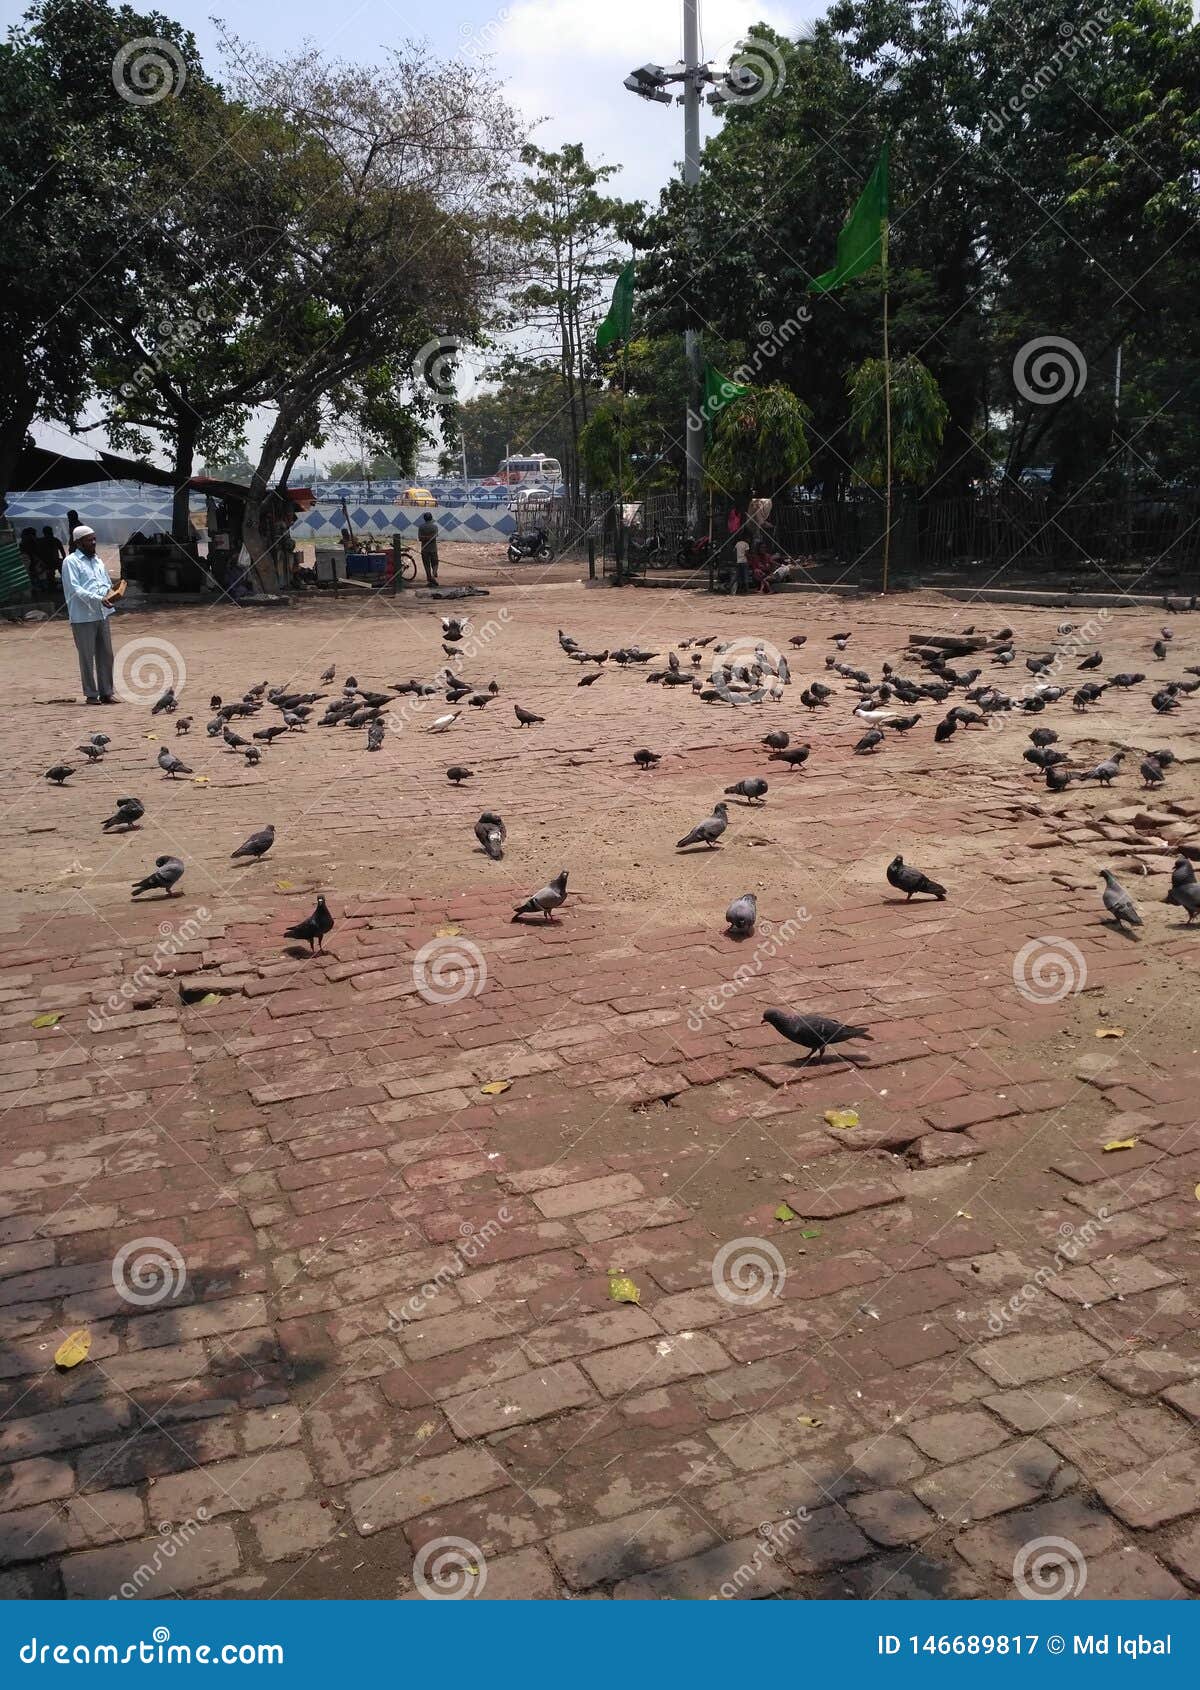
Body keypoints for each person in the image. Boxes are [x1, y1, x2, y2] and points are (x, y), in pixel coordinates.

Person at [62, 526, 122, 704]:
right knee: (87, 656)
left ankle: (107, 692)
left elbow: (104, 583)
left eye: (94, 539)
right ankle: (91, 694)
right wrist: (98, 598)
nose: (93, 542)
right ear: (78, 542)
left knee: (106, 654)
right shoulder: (71, 562)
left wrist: (113, 593)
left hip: (102, 614)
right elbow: (75, 589)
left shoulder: (98, 560)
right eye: (89, 540)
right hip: (82, 616)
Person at [417, 511, 439, 585]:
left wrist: (425, 538)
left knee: (426, 564)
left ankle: (429, 577)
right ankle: (433, 575)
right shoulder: (435, 527)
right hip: (433, 548)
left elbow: (420, 538)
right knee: (435, 563)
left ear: (424, 519)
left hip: (424, 549)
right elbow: (434, 537)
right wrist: (430, 537)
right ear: (431, 518)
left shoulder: (421, 527)